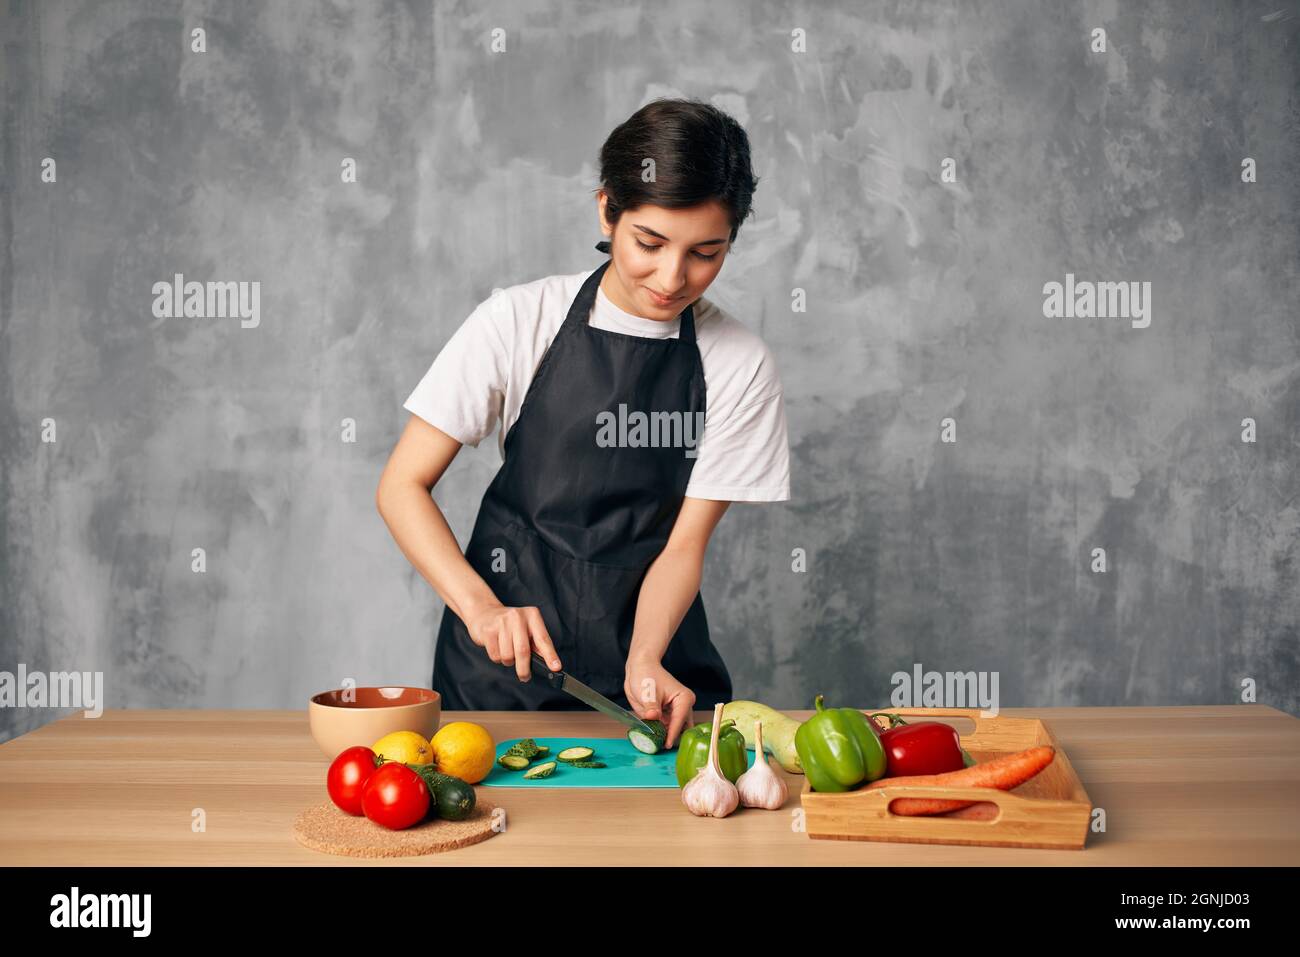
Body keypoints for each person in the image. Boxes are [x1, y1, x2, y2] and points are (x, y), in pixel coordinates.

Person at [376, 98, 789, 748]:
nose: (673, 276)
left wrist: (646, 660)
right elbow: (401, 486)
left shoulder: (737, 362)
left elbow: (683, 548)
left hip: (652, 686)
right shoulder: (518, 320)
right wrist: (481, 608)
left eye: (706, 252)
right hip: (499, 681)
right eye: (649, 243)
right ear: (607, 209)